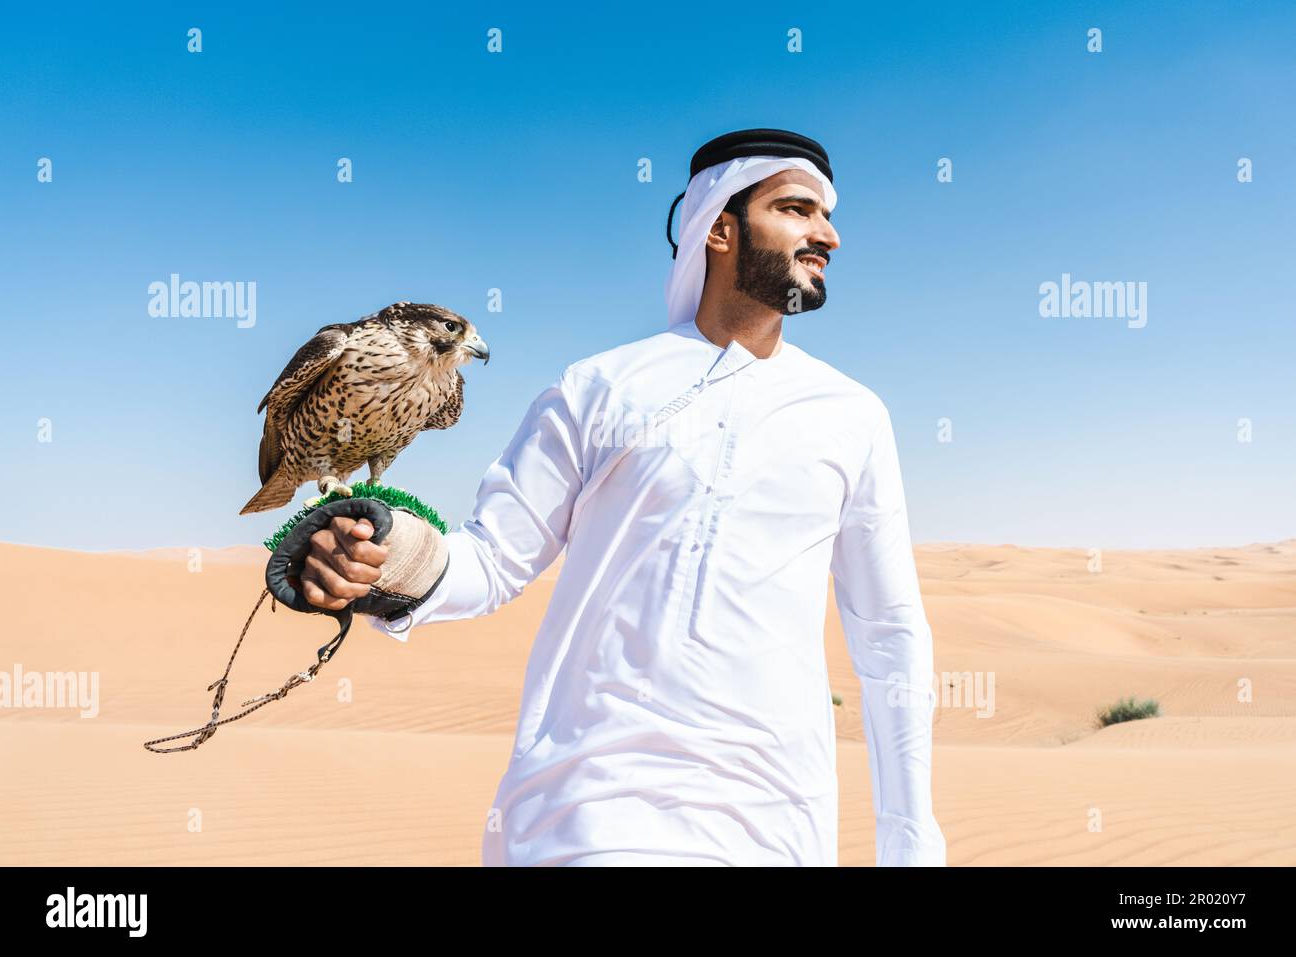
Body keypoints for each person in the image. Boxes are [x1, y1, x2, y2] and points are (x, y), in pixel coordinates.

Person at [297, 129, 948, 867]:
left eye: (827, 215)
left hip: (777, 828)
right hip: (590, 815)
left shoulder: (852, 415)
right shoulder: (597, 387)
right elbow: (493, 559)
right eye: (796, 209)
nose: (826, 234)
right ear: (720, 229)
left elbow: (891, 635)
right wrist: (388, 556)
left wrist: (911, 841)